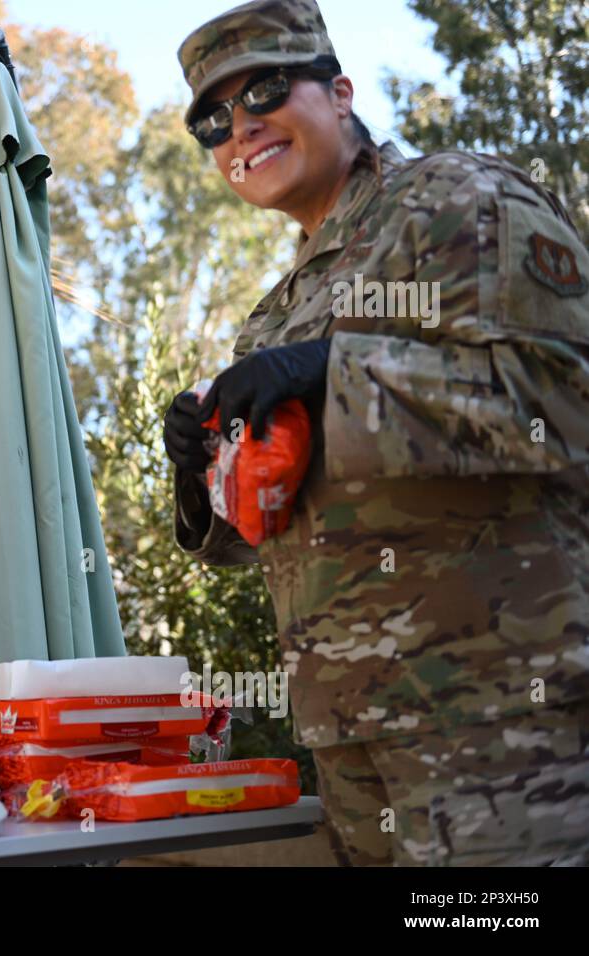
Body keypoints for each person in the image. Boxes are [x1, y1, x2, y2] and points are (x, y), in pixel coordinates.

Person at [165, 0, 589, 864]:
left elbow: (562, 403)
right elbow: (270, 524)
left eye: (267, 92)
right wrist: (201, 475)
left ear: (341, 92)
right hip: (350, 734)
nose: (240, 128)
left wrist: (331, 372)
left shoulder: (456, 202)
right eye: (213, 121)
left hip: (500, 719)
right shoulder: (275, 314)